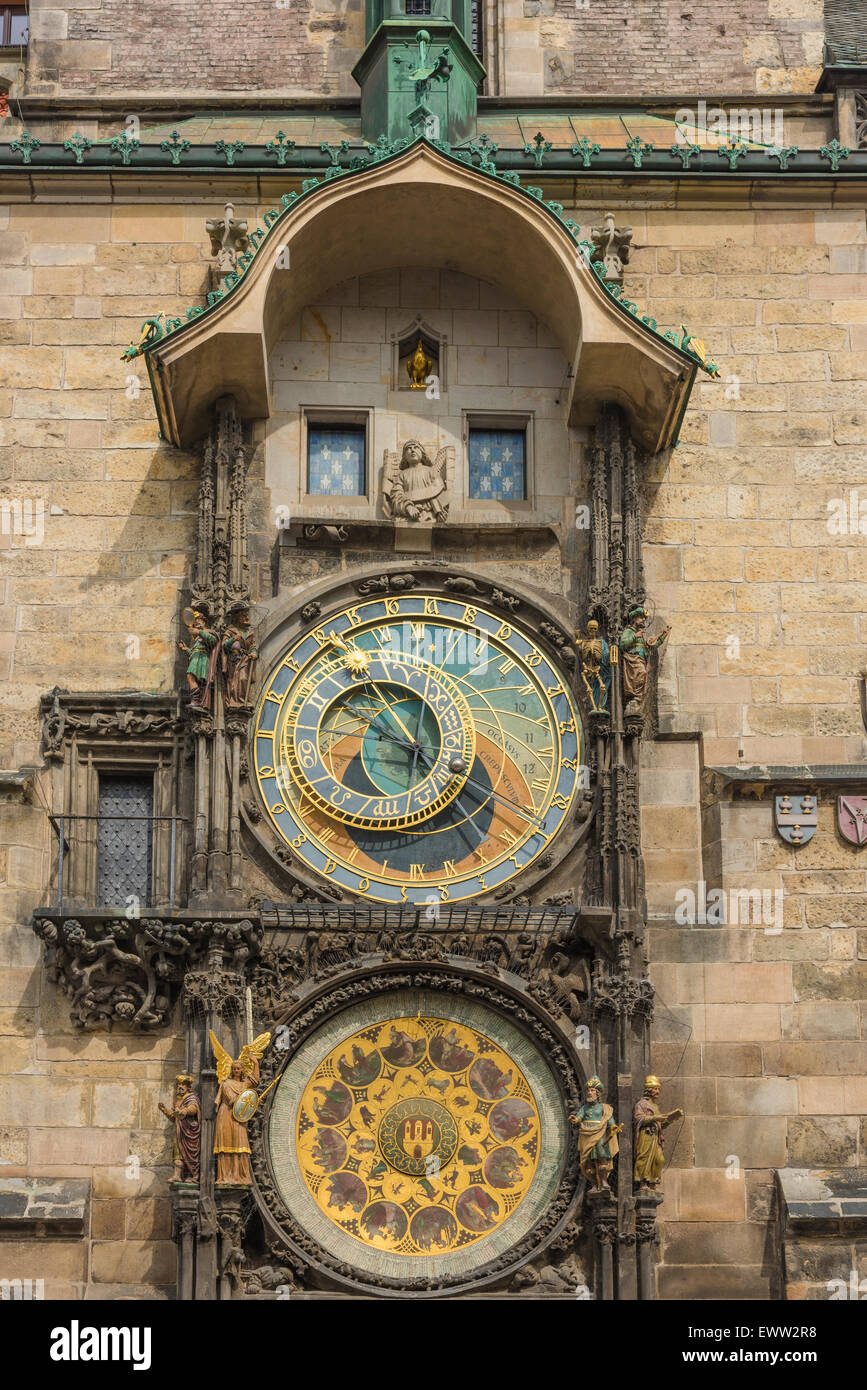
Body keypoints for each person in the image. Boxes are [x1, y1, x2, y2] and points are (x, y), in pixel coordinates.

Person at [570, 1075, 622, 1191]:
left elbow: (609, 1119)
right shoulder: (584, 1108)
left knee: (602, 1158)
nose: (589, 1093)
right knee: (588, 1161)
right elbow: (579, 1117)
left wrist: (613, 1127)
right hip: (587, 1135)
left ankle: (603, 1181)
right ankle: (594, 1183)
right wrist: (575, 1119)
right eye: (588, 1090)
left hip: (600, 1135)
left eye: (592, 1090)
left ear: (597, 1093)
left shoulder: (604, 1108)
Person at [633, 1074, 683, 1189]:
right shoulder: (641, 1104)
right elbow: (638, 1118)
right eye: (655, 1089)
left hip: (655, 1136)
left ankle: (652, 1182)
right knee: (644, 1158)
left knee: (659, 1159)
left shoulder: (655, 1107)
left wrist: (670, 1119)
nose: (658, 1092)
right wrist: (655, 1118)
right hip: (645, 1135)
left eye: (658, 1089)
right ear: (649, 1090)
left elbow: (659, 1124)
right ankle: (643, 1182)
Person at [619, 606, 670, 712]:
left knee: (642, 675)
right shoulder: (629, 631)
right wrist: (635, 636)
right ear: (634, 619)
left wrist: (662, 637)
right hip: (632, 660)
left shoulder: (641, 635)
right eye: (641, 618)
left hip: (641, 660)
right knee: (641, 673)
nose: (643, 620)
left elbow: (650, 647)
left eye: (644, 618)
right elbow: (623, 644)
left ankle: (637, 698)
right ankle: (634, 697)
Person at [385, 439, 448, 523]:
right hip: (408, 514)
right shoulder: (401, 475)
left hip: (429, 515)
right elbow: (396, 495)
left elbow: (438, 492)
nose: (412, 450)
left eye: (416, 447)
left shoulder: (431, 471)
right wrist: (408, 507)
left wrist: (438, 511)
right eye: (408, 448)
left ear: (422, 453)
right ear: (404, 456)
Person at [158, 1074, 201, 1184]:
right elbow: (174, 1118)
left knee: (189, 1153)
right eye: (179, 1084)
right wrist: (165, 1110)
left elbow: (193, 1108)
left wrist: (184, 1111)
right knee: (178, 1154)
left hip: (188, 1132)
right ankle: (177, 1176)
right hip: (179, 1131)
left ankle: (191, 1175)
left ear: (188, 1087)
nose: (180, 1086)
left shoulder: (191, 1098)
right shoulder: (178, 1101)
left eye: (183, 1085)